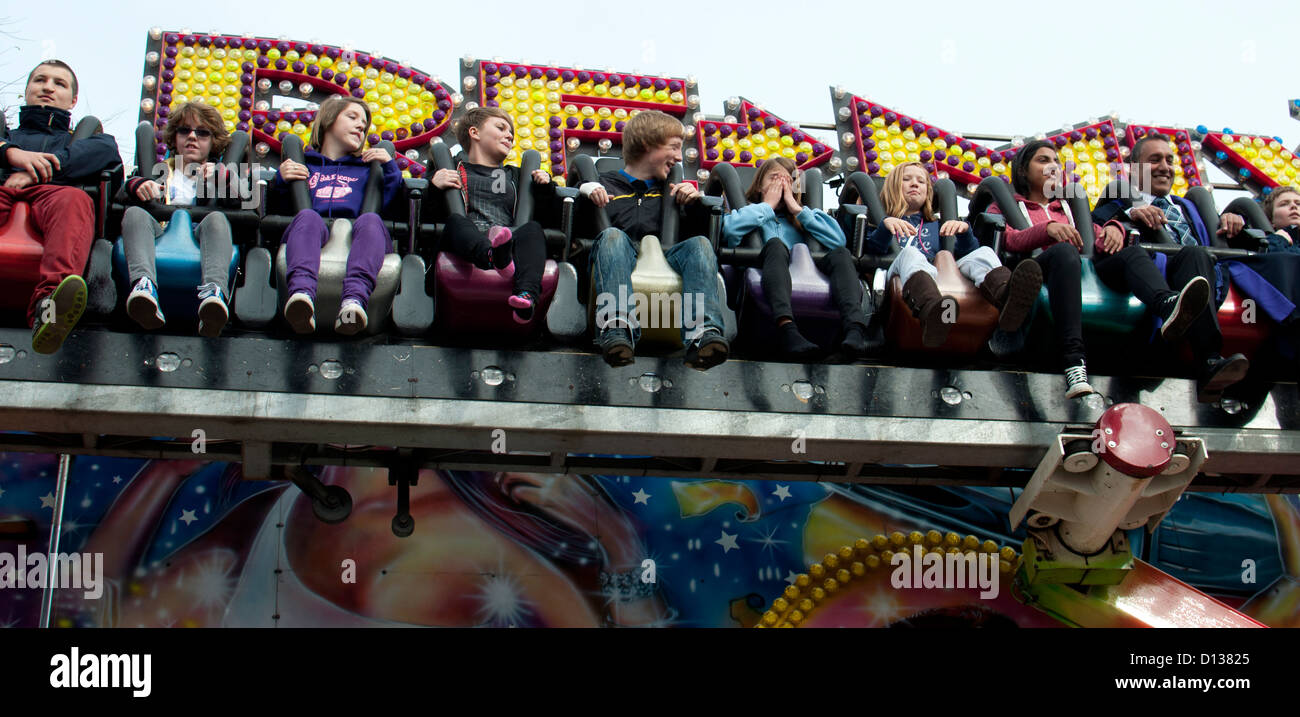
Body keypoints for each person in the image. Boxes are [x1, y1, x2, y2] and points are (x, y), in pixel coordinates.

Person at [1093, 133, 1249, 401]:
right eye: (1154, 160)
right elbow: (1096, 222)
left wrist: (1232, 220)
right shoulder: (1119, 198)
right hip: (1147, 277)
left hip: (1198, 274)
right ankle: (1173, 310)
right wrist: (1130, 215)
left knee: (1196, 254)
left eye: (1169, 160)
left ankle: (1209, 362)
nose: (1165, 166)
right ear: (1134, 167)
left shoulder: (1190, 205)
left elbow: (1219, 238)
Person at [581, 110, 728, 370]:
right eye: (674, 147)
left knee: (700, 245)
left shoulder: (673, 193)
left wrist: (695, 205)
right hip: (619, 256)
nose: (679, 157)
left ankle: (702, 333)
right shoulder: (604, 185)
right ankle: (616, 327)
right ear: (648, 143)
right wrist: (584, 191)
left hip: (666, 259)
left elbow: (704, 232)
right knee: (613, 236)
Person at [0, 60, 119, 354]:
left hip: (53, 194)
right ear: (28, 89)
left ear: (73, 99)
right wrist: (11, 154)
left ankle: (49, 306)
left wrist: (37, 170)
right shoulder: (9, 138)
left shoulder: (84, 141)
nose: (48, 87)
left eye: (59, 83)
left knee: (74, 199)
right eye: (40, 80)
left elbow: (106, 153)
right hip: (3, 187)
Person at [865, 161, 1042, 347]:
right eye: (906, 179)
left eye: (921, 181)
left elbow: (967, 254)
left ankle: (1007, 297)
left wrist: (965, 232)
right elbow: (873, 250)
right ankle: (931, 310)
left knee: (984, 252)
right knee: (911, 253)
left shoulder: (937, 225)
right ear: (893, 187)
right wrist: (885, 227)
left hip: (943, 278)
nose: (915, 184)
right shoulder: (880, 222)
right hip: (900, 279)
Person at [273, 95, 401, 334]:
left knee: (371, 220)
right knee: (308, 217)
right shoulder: (306, 165)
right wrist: (280, 180)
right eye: (352, 117)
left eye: (364, 123)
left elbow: (393, 205)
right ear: (328, 121)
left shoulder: (368, 170)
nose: (361, 126)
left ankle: (353, 301)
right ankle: (301, 295)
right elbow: (278, 209)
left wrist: (390, 168)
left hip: (357, 238)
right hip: (311, 233)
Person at [721, 157, 869, 359]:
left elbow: (838, 240)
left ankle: (854, 329)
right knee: (775, 244)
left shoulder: (806, 216)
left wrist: (797, 209)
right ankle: (787, 328)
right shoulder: (747, 211)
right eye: (774, 178)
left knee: (841, 255)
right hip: (764, 277)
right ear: (759, 185)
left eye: (788, 181)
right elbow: (729, 230)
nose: (781, 185)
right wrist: (766, 206)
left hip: (807, 278)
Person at [120, 101, 236, 337]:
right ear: (175, 137)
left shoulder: (221, 173)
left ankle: (213, 294)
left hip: (201, 238)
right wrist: (139, 185)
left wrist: (222, 178)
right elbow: (122, 193)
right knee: (134, 214)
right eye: (185, 130)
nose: (192, 137)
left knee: (216, 219)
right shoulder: (159, 170)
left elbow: (246, 199)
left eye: (202, 132)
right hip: (160, 235)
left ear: (213, 141)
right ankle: (144, 286)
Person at [427, 107, 551, 322]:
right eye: (501, 128)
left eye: (510, 132)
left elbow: (552, 214)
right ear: (475, 133)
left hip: (509, 241)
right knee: (457, 221)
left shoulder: (513, 177)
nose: (509, 135)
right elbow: (425, 216)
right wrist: (434, 188)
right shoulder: (452, 169)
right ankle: (492, 255)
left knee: (532, 229)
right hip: (466, 243)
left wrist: (545, 187)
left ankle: (527, 294)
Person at [1262, 185, 1300, 255]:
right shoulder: (1264, 244)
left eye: (1298, 204)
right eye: (1284, 204)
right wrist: (1278, 239)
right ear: (1271, 220)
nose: (1294, 206)